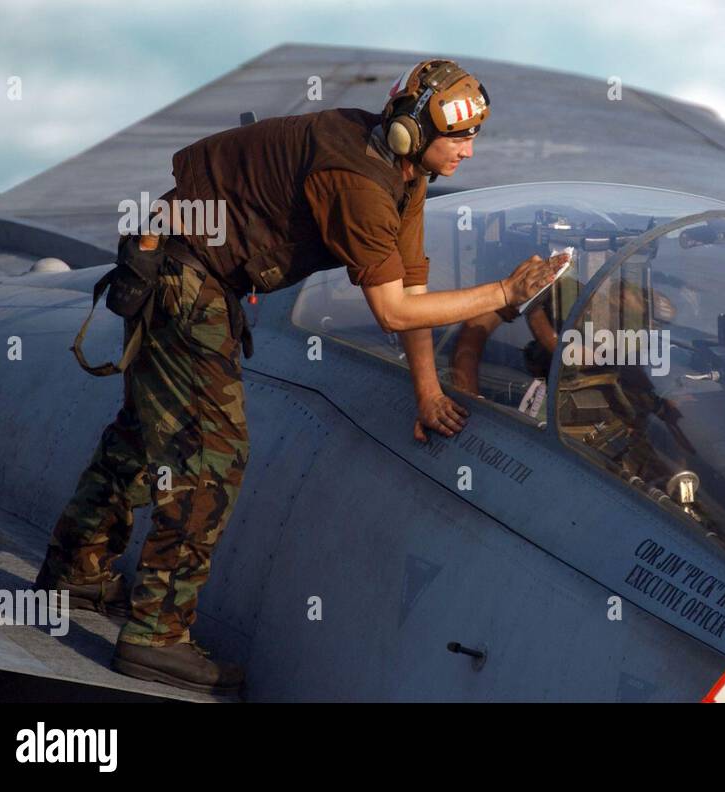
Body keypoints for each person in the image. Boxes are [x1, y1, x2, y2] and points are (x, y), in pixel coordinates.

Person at [33, 59, 559, 695]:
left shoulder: (404, 173)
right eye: (459, 139)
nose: (470, 152)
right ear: (412, 133)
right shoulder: (359, 182)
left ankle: (76, 571)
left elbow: (411, 287)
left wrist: (427, 392)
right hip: (184, 275)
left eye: (474, 137)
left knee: (145, 432)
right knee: (211, 457)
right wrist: (503, 290)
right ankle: (155, 637)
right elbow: (391, 309)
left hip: (196, 270)